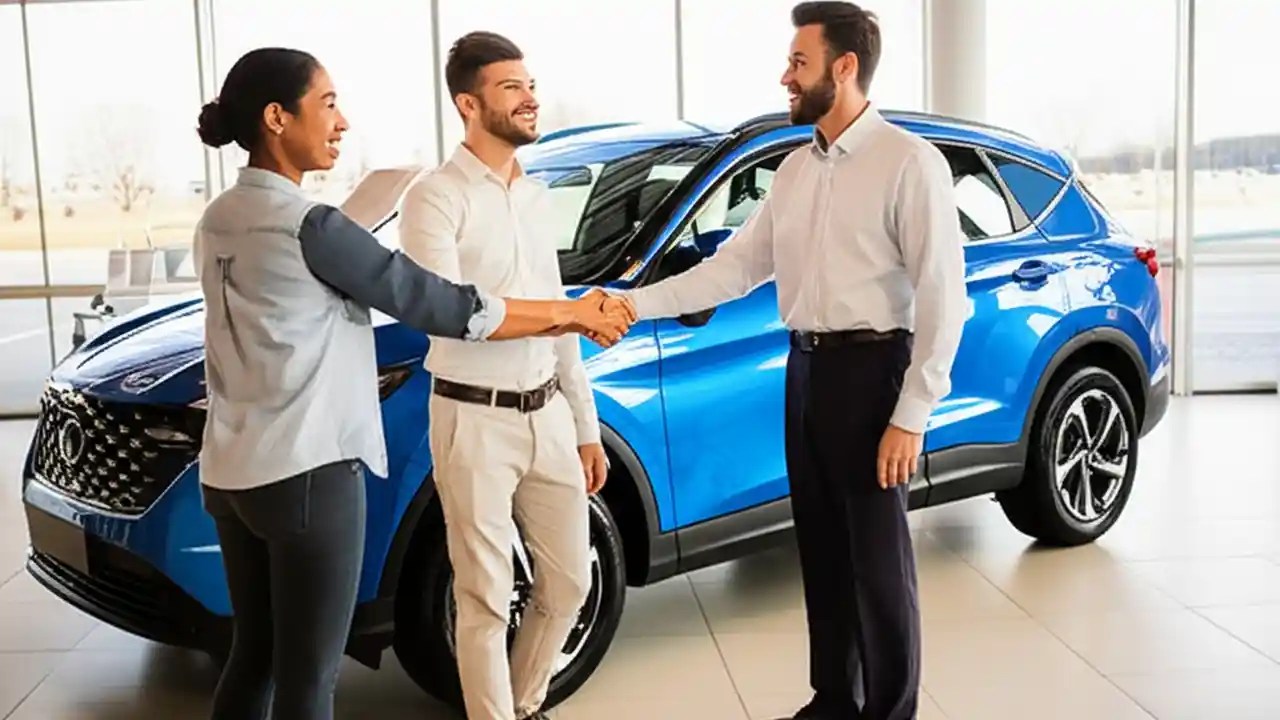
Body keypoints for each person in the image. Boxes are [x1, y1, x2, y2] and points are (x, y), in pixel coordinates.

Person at [191, 47, 633, 720]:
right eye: (328, 103)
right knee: (309, 680)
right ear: (277, 117)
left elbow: (291, 303)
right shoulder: (313, 224)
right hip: (308, 468)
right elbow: (440, 305)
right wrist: (572, 312)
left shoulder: (219, 217)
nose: (341, 122)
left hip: (231, 469)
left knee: (254, 657)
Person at [617, 3, 967, 719]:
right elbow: (733, 269)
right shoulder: (794, 171)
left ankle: (890, 710)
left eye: (798, 62)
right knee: (823, 547)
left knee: (877, 562)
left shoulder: (908, 162)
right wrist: (629, 304)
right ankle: (834, 698)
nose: (785, 76)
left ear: (845, 67)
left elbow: (942, 299)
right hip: (805, 371)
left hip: (874, 375)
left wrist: (912, 414)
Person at [396, 31, 614, 720]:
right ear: (468, 103)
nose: (530, 97)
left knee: (570, 584)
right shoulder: (432, 198)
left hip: (547, 413)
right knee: (484, 594)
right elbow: (455, 315)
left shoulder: (532, 193)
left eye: (530, 84)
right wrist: (568, 314)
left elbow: (563, 331)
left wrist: (584, 427)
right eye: (511, 87)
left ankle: (520, 707)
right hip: (472, 418)